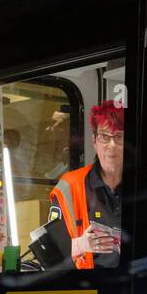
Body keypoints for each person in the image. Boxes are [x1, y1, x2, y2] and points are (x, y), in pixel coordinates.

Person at [48, 100, 124, 269]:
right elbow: (50, 253)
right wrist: (80, 245)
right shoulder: (69, 187)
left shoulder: (146, 186)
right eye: (105, 136)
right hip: (87, 289)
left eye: (119, 137)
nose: (111, 145)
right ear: (94, 141)